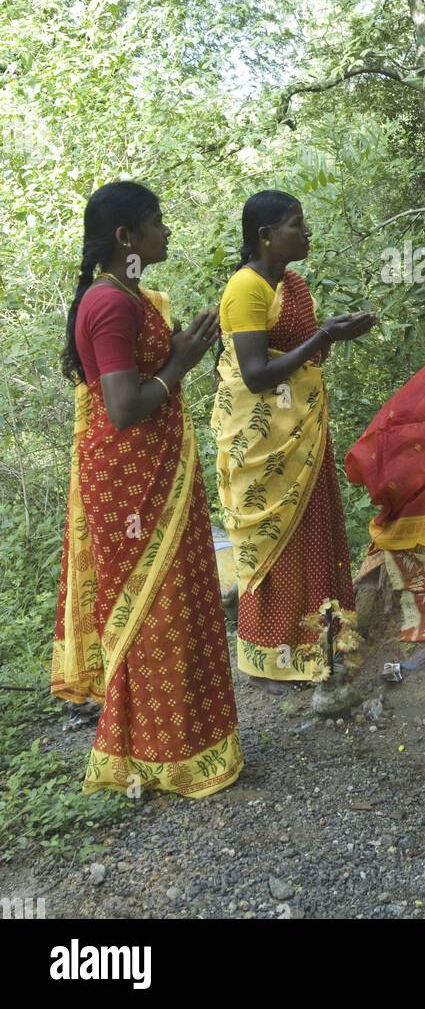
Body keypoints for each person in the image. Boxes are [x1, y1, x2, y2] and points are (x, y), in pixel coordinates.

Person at [53, 182, 243, 797]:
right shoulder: (111, 304)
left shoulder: (133, 294)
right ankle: (159, 753)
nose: (168, 232)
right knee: (152, 607)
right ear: (125, 239)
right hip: (130, 479)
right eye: (157, 223)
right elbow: (125, 407)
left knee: (179, 596)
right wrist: (181, 361)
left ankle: (187, 742)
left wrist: (176, 351)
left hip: (156, 471)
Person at [212, 190, 376, 691]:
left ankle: (321, 643)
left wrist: (332, 333)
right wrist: (324, 336)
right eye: (296, 225)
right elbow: (258, 374)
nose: (306, 233)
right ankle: (271, 656)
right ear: (265, 236)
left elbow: (301, 355)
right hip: (263, 441)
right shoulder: (246, 288)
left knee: (311, 534)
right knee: (273, 544)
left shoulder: (294, 284)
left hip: (301, 431)